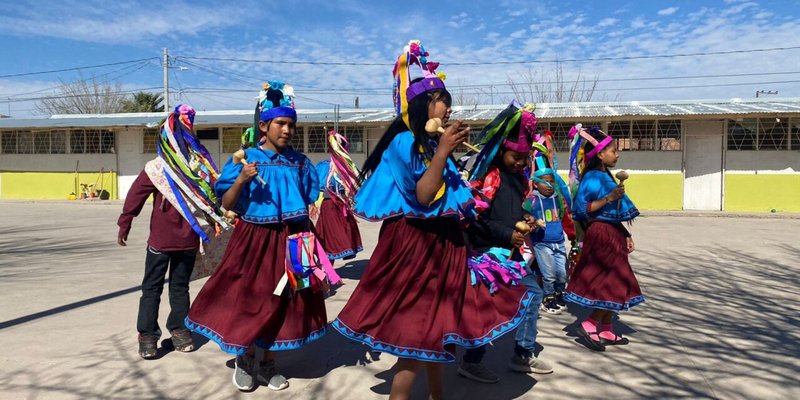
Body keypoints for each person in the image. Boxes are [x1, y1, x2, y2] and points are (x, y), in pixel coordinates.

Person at [331, 41, 534, 400]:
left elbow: (457, 201)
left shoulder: (433, 145)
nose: (448, 107)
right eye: (442, 100)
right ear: (422, 104)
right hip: (417, 249)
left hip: (445, 247)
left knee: (439, 333)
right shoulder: (403, 144)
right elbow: (423, 197)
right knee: (418, 335)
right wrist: (443, 152)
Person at [185, 81, 337, 391]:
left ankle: (267, 363)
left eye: (291, 125)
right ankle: (245, 357)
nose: (287, 130)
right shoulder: (248, 160)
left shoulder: (300, 163)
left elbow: (308, 200)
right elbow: (228, 204)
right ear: (264, 126)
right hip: (255, 241)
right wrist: (241, 180)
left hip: (293, 241)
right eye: (280, 123)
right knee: (251, 300)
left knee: (285, 302)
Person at [117, 104, 227, 359]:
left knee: (152, 289)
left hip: (164, 242)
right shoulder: (196, 169)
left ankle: (149, 338)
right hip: (184, 241)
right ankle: (179, 333)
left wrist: (125, 222)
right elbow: (215, 195)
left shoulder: (158, 168)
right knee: (178, 288)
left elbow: (135, 195)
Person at [460, 102, 553, 382]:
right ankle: (471, 361)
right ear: (502, 151)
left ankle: (522, 354)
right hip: (486, 253)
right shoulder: (491, 176)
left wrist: (524, 217)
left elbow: (509, 211)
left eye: (525, 158)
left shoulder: (518, 179)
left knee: (532, 294)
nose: (521, 163)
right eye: (516, 157)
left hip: (509, 253)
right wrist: (507, 233)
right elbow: (476, 218)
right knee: (487, 308)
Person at [566, 125, 644, 352]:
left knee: (617, 280)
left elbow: (612, 213)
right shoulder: (592, 177)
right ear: (600, 154)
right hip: (601, 235)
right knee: (612, 281)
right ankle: (590, 323)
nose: (617, 155)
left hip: (613, 233)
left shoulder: (604, 176)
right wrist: (609, 197)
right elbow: (583, 209)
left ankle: (607, 328)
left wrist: (625, 233)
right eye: (613, 151)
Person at [523, 136, 576, 315]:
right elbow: (523, 214)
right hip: (542, 243)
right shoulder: (532, 199)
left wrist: (571, 235)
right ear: (536, 183)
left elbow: (563, 216)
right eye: (544, 181)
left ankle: (559, 295)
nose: (548, 185)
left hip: (558, 242)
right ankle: (548, 299)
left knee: (562, 274)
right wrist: (532, 221)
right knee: (549, 274)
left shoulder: (557, 198)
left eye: (551, 181)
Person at [314, 130, 363, 263]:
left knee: (332, 236)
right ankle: (326, 268)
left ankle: (326, 268)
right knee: (330, 236)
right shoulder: (327, 167)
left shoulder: (347, 167)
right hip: (331, 205)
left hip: (339, 206)